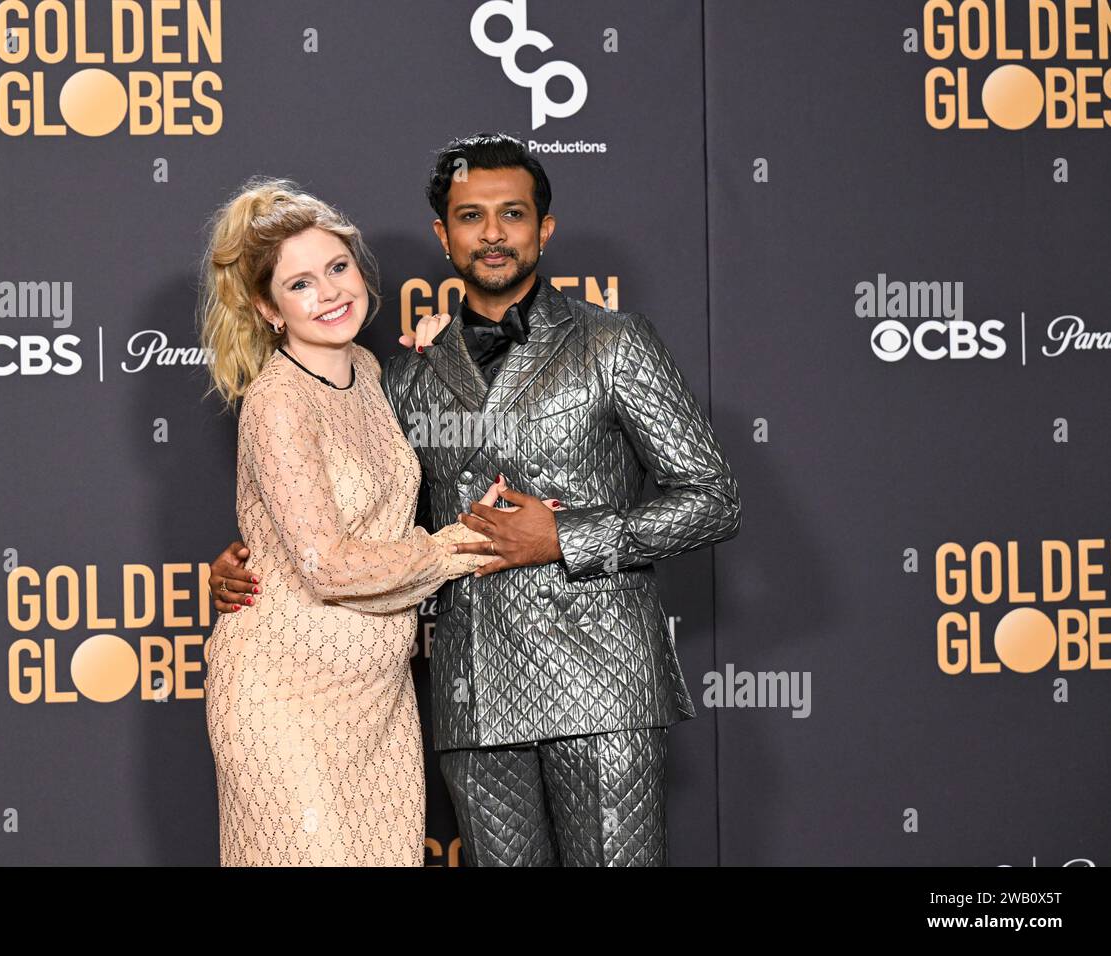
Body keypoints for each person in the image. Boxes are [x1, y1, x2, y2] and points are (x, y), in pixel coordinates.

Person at [210, 134, 742, 866]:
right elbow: (355, 515)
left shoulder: (616, 342)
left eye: (512, 214)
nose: (492, 234)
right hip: (473, 691)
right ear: (443, 234)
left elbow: (712, 498)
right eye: (470, 217)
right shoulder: (402, 374)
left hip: (604, 684)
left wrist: (565, 538)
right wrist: (256, 555)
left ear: (543, 229)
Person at [196, 175, 506, 866]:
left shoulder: (369, 369)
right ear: (268, 308)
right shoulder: (276, 402)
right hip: (283, 699)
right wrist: (460, 544)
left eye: (337, 267)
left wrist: (445, 351)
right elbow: (329, 566)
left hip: (376, 699)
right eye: (301, 283)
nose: (331, 292)